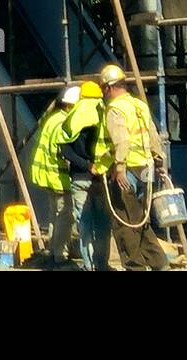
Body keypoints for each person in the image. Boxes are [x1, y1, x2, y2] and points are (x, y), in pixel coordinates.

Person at [97, 63, 169, 271]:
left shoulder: (116, 109)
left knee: (125, 223)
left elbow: (121, 139)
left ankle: (134, 266)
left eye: (104, 88)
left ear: (109, 87)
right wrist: (159, 160)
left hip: (128, 170)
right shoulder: (139, 105)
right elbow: (152, 135)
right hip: (147, 169)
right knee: (140, 220)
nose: (104, 93)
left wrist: (119, 167)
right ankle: (158, 262)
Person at [59, 80, 111, 271]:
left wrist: (85, 165)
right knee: (103, 224)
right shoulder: (103, 114)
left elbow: (64, 149)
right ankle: (102, 264)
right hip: (101, 177)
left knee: (85, 223)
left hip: (80, 177)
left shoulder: (72, 118)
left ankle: (89, 266)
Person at [28, 85, 81, 266]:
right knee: (64, 216)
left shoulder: (53, 118)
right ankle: (59, 254)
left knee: (55, 215)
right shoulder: (64, 122)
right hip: (59, 177)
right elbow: (63, 151)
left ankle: (52, 250)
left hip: (48, 175)